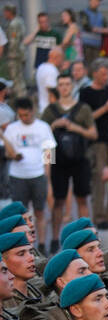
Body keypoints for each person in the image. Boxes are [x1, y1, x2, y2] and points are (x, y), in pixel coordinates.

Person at [43, 71, 96, 242]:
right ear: (57, 88)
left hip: (80, 160)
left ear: (72, 86)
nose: (64, 88)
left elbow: (93, 134)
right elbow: (43, 139)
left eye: (67, 84)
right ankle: (55, 238)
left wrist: (74, 127)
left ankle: (86, 236)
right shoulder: (50, 111)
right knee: (58, 200)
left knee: (82, 198)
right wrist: (53, 125)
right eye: (61, 85)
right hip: (59, 161)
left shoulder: (84, 108)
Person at [3, 98, 54, 248]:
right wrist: (12, 155)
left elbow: (49, 151)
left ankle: (43, 244)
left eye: (26, 115)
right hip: (17, 175)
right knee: (20, 214)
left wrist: (47, 175)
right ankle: (23, 244)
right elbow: (7, 152)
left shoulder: (43, 127)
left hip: (37, 174)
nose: (24, 118)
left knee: (40, 211)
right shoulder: (12, 129)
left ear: (32, 111)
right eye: (20, 115)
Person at [77, 60, 108, 229]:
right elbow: (85, 119)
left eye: (107, 74)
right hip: (97, 142)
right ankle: (99, 216)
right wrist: (104, 109)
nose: (106, 77)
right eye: (103, 74)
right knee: (99, 179)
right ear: (94, 73)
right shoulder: (86, 93)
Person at [80, 0, 108, 69]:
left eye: (98, 1)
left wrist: (101, 30)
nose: (96, 3)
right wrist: (100, 30)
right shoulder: (84, 13)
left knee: (96, 66)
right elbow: (86, 26)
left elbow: (107, 28)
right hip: (87, 45)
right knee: (88, 66)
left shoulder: (100, 15)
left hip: (97, 45)